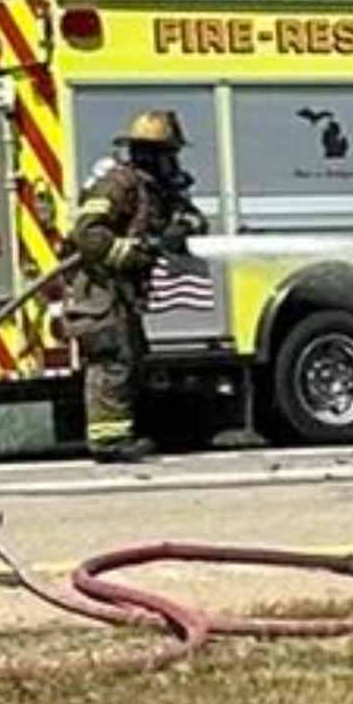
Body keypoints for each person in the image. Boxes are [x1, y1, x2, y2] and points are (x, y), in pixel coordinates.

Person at [65, 110, 207, 462]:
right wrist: (126, 252)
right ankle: (108, 442)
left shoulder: (156, 190)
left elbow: (195, 219)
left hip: (123, 292)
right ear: (149, 152)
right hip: (101, 288)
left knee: (131, 360)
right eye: (167, 152)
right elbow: (87, 234)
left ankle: (121, 434)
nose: (172, 161)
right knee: (113, 359)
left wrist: (182, 229)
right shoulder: (119, 184)